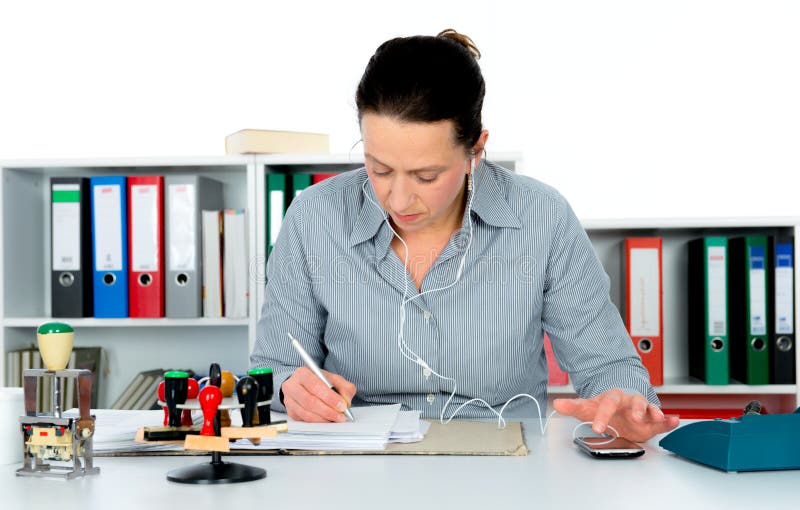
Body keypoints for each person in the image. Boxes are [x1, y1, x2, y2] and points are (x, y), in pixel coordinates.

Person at [250, 29, 679, 442]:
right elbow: (274, 368)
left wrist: (627, 404)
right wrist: (293, 389)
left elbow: (607, 366)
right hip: (357, 457)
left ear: (476, 149)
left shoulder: (542, 217)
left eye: (426, 175)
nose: (397, 198)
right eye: (378, 168)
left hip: (506, 463)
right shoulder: (313, 217)